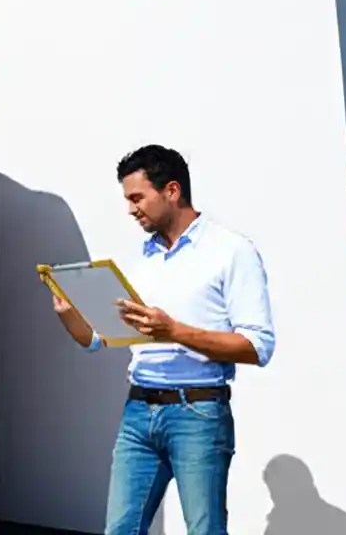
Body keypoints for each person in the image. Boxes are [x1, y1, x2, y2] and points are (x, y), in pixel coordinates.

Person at [51, 144, 275, 535]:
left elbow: (258, 347)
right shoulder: (144, 260)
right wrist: (70, 316)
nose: (130, 209)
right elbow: (101, 340)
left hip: (199, 415)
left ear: (172, 191)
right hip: (138, 413)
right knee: (120, 530)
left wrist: (173, 331)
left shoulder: (232, 251)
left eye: (137, 197)